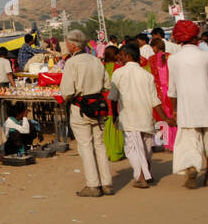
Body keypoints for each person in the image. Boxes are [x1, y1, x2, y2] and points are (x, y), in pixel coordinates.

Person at [58, 30, 113, 197]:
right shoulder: (96, 60)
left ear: (73, 45)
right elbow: (106, 85)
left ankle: (93, 185)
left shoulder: (72, 63)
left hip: (80, 107)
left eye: (67, 43)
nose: (66, 46)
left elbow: (66, 91)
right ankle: (107, 183)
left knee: (86, 146)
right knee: (99, 145)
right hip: (97, 105)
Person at [109, 43, 165, 188]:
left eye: (121, 56)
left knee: (133, 149)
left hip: (128, 117)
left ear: (128, 56)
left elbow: (113, 98)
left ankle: (141, 177)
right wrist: (165, 118)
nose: (119, 58)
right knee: (145, 148)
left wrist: (115, 116)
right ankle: (147, 174)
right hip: (146, 118)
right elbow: (155, 101)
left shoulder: (118, 73)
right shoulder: (147, 75)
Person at [167, 20, 208, 189]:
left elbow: (172, 90)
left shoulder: (174, 60)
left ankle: (192, 168)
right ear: (196, 38)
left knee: (188, 141)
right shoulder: (206, 56)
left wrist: (174, 110)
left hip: (186, 107)